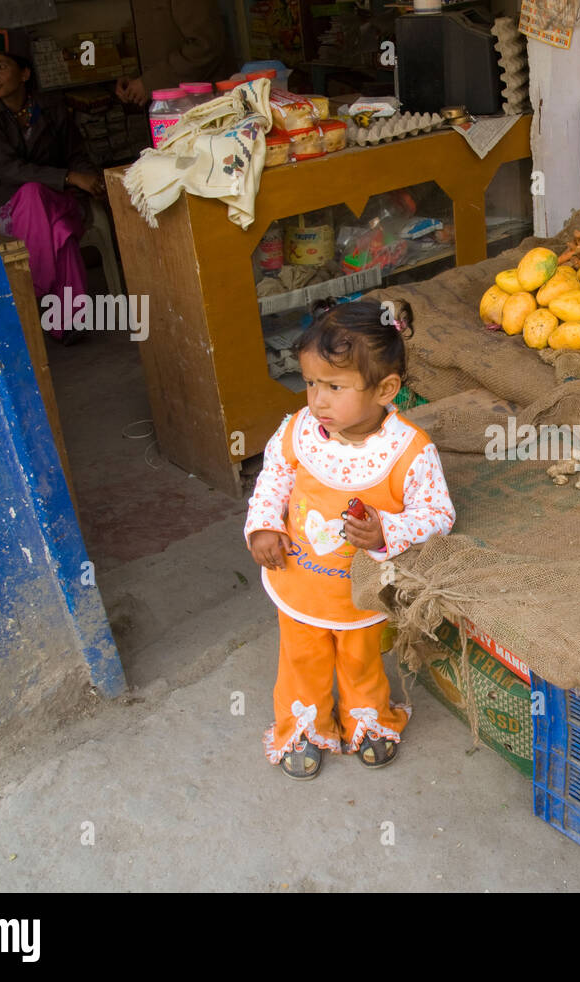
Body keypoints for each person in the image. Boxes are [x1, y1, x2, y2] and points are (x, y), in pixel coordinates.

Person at [244, 300, 455, 780]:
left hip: (363, 595)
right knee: (302, 660)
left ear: (385, 389)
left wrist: (388, 531)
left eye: (334, 387)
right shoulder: (299, 430)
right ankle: (304, 728)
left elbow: (440, 515)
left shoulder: (410, 451)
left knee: (361, 661)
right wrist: (262, 525)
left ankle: (367, 722)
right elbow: (274, 475)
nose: (317, 400)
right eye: (311, 382)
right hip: (299, 584)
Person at [0, 28, 103, 337]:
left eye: (1, 66)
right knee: (58, 227)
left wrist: (87, 178)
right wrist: (67, 177)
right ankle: (66, 320)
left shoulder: (51, 108)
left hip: (59, 199)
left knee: (41, 199)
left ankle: (38, 294)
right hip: (9, 205)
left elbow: (75, 153)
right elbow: (6, 169)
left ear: (24, 72)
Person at [116, 0, 237, 107]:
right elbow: (161, 44)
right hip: (169, 108)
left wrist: (149, 82)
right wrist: (135, 79)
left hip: (202, 104)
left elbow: (206, 46)